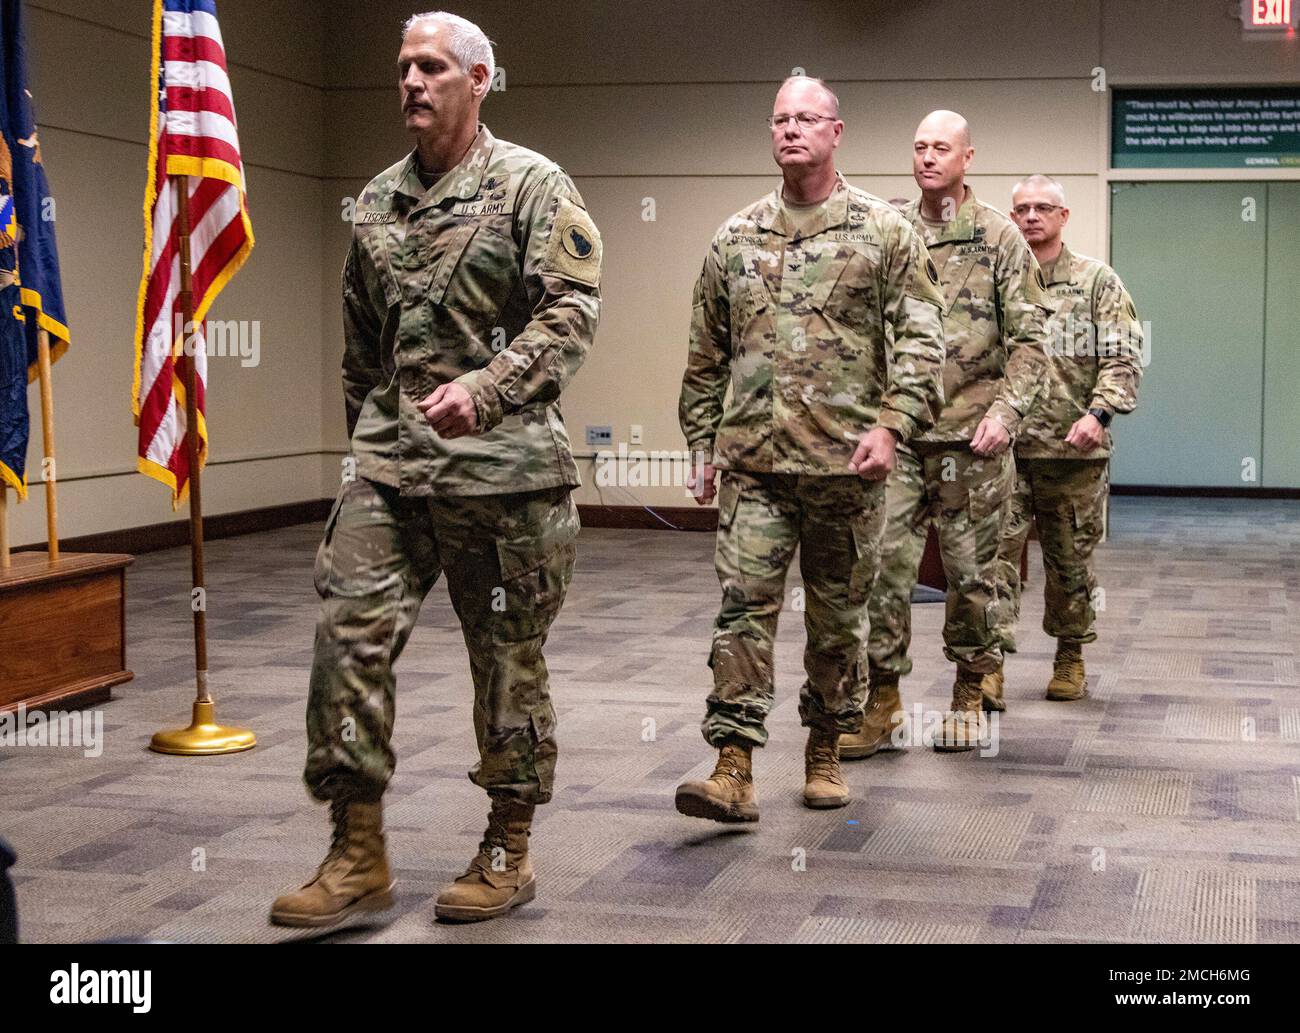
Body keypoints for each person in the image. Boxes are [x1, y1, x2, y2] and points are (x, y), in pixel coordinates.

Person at [270, 10, 601, 928]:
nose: (411, 82)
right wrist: (364, 448)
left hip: (503, 478)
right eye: (403, 67)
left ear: (479, 78)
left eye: (431, 67)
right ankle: (356, 849)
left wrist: (487, 389)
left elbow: (569, 315)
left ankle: (507, 846)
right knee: (347, 637)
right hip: (390, 466)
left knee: (504, 662)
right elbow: (359, 347)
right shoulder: (374, 200)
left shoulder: (532, 185)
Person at [676, 77, 945, 820]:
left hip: (845, 469)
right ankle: (733, 763)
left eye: (808, 119)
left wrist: (893, 424)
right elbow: (705, 352)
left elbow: (923, 339)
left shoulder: (882, 232)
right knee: (742, 611)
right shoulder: (735, 238)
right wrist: (701, 439)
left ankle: (826, 745)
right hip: (755, 468)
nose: (792, 130)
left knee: (838, 620)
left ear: (837, 132)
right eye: (781, 119)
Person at [839, 110, 1050, 758]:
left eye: (942, 148)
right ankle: (883, 703)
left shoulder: (998, 238)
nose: (928, 157)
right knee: (880, 574)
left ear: (967, 158)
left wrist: (1005, 414)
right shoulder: (891, 231)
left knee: (973, 577)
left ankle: (967, 693)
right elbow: (863, 330)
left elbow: (1032, 343)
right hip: (901, 436)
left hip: (971, 442)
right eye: (920, 146)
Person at [989, 174, 1143, 706]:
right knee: (993, 561)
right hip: (1002, 451)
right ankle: (988, 665)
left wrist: (1099, 414)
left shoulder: (1096, 281)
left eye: (1043, 208)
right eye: (1022, 209)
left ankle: (1070, 654)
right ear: (1011, 218)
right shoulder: (995, 280)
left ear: (1063, 216)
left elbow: (1123, 356)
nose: (1031, 216)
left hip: (1071, 452)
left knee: (1070, 563)